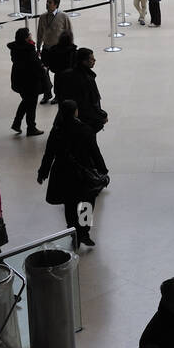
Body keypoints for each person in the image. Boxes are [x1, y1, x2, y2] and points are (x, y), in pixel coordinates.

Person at [37, 99, 106, 248]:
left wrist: (43, 172)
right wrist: (102, 170)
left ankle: (73, 231)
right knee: (87, 202)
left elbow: (49, 154)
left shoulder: (57, 131)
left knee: (69, 204)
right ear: (76, 111)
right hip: (83, 173)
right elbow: (95, 152)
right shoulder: (85, 130)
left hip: (63, 173)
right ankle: (84, 232)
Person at [54, 47, 107, 133]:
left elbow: (60, 96)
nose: (94, 60)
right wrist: (103, 115)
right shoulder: (88, 79)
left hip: (70, 117)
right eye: (91, 59)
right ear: (84, 61)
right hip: (87, 119)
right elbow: (93, 102)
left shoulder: (65, 75)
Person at [8, 27, 46, 136]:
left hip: (19, 80)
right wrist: (43, 69)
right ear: (25, 38)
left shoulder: (15, 49)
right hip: (30, 82)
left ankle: (17, 123)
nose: (31, 35)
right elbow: (36, 65)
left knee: (26, 101)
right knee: (31, 105)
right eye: (29, 34)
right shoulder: (28, 50)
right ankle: (31, 128)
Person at [35, 0, 72, 103]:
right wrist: (38, 47)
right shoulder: (42, 17)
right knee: (44, 72)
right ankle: (47, 93)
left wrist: (70, 47)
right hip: (46, 49)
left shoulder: (63, 16)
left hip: (59, 50)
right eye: (47, 2)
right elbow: (39, 33)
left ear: (56, 5)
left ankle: (58, 95)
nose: (47, 4)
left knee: (59, 73)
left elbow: (69, 32)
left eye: (50, 2)